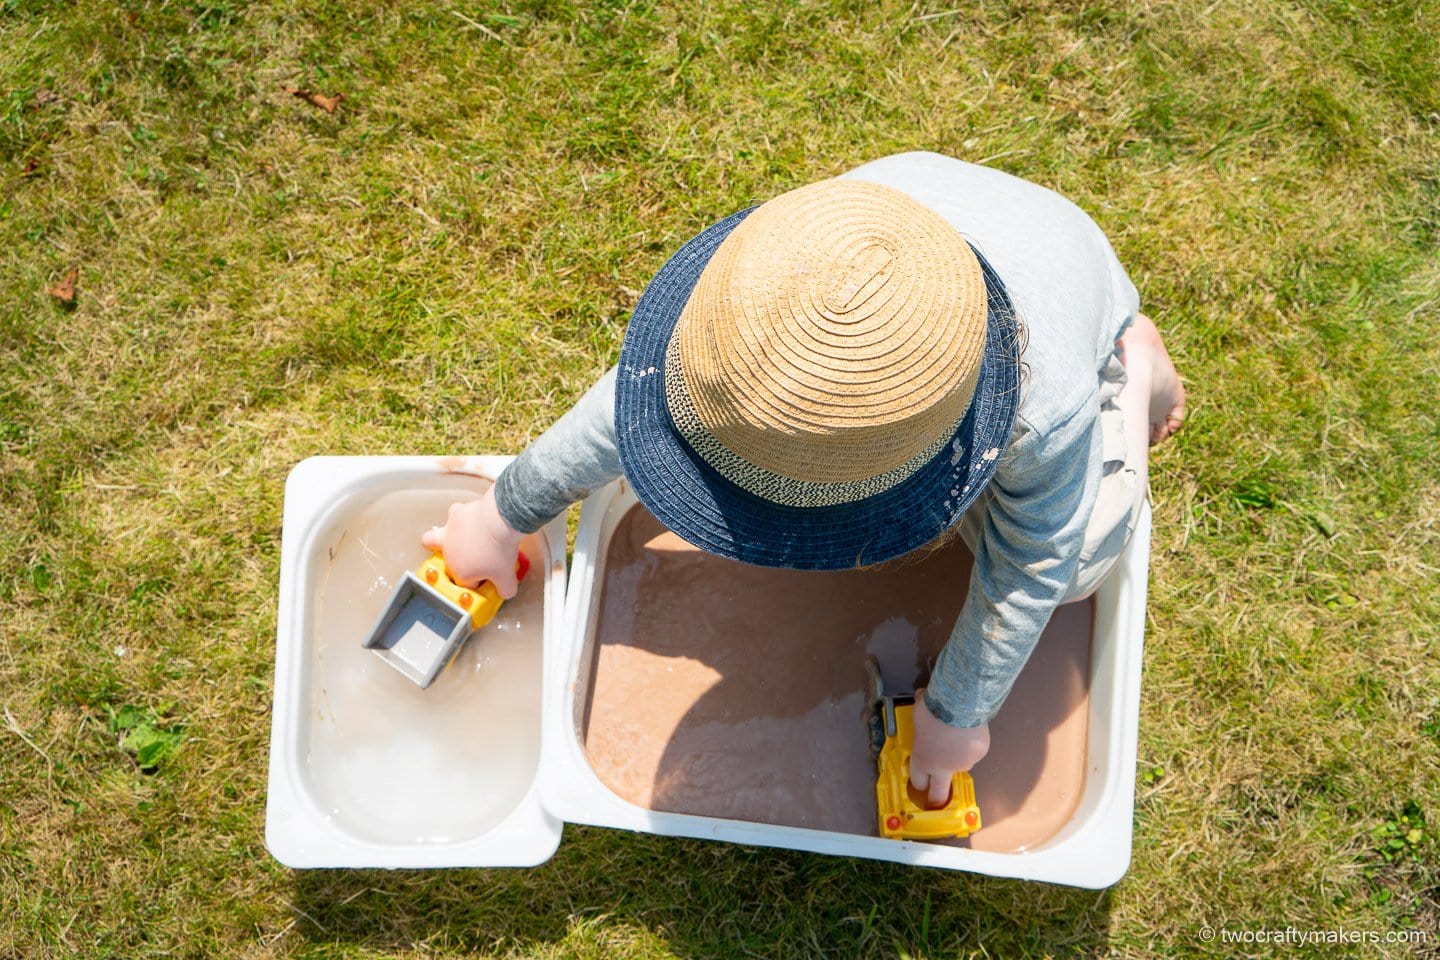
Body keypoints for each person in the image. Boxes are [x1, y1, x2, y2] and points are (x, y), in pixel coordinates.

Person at [422, 151, 1185, 809]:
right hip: (872, 233)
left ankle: (1138, 362)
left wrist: (959, 714)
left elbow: (1033, 562)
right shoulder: (757, 300)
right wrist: (501, 515)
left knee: (1078, 571)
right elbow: (635, 404)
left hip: (1060, 287)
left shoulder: (1038, 416)